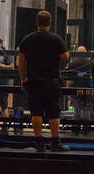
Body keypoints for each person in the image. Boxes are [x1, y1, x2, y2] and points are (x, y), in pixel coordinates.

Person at [18, 10, 69, 151]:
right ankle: (55, 142)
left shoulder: (27, 39)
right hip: (51, 80)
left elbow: (21, 61)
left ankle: (39, 143)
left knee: (36, 111)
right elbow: (65, 57)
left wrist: (23, 78)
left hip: (33, 80)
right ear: (50, 23)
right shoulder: (56, 39)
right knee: (53, 111)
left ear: (37, 22)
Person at [69, 45, 94, 130]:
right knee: (87, 109)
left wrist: (68, 90)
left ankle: (76, 128)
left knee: (77, 109)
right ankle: (87, 128)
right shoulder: (91, 63)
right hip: (88, 89)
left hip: (76, 90)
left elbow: (69, 78)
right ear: (86, 53)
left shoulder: (73, 64)